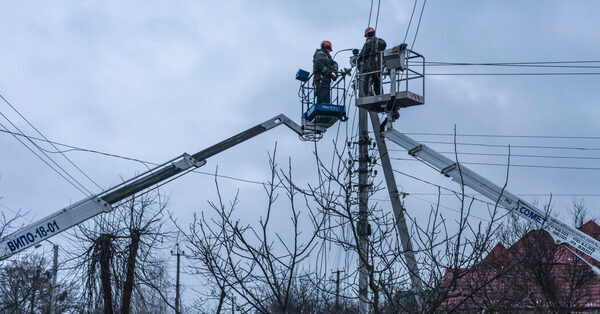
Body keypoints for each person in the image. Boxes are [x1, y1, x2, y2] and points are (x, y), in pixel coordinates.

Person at [358, 27, 387, 96]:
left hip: (370, 68)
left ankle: (370, 99)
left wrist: (358, 61)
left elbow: (362, 54)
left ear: (367, 35)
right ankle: (381, 98)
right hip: (379, 68)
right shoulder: (380, 42)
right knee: (378, 86)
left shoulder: (368, 43)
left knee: (366, 86)